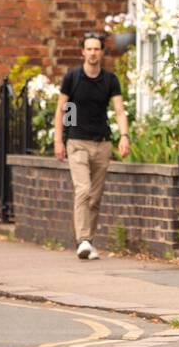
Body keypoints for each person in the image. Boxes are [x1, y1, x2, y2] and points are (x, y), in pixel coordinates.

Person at [53, 32, 130, 260]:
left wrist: (124, 135)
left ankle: (89, 240)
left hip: (102, 143)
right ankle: (83, 240)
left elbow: (118, 110)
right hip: (77, 141)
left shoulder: (110, 80)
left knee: (95, 197)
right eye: (89, 49)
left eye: (97, 49)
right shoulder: (73, 78)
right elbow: (62, 109)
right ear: (83, 52)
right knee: (83, 190)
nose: (93, 53)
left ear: (102, 53)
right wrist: (60, 139)